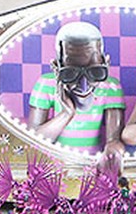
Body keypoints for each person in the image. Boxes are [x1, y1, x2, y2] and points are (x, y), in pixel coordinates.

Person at [28, 21, 126, 170]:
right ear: (56, 67)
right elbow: (34, 141)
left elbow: (114, 140)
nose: (84, 85)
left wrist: (113, 152)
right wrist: (66, 114)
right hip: (55, 169)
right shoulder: (46, 84)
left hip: (94, 168)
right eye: (70, 73)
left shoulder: (110, 87)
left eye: (95, 72)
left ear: (106, 63)